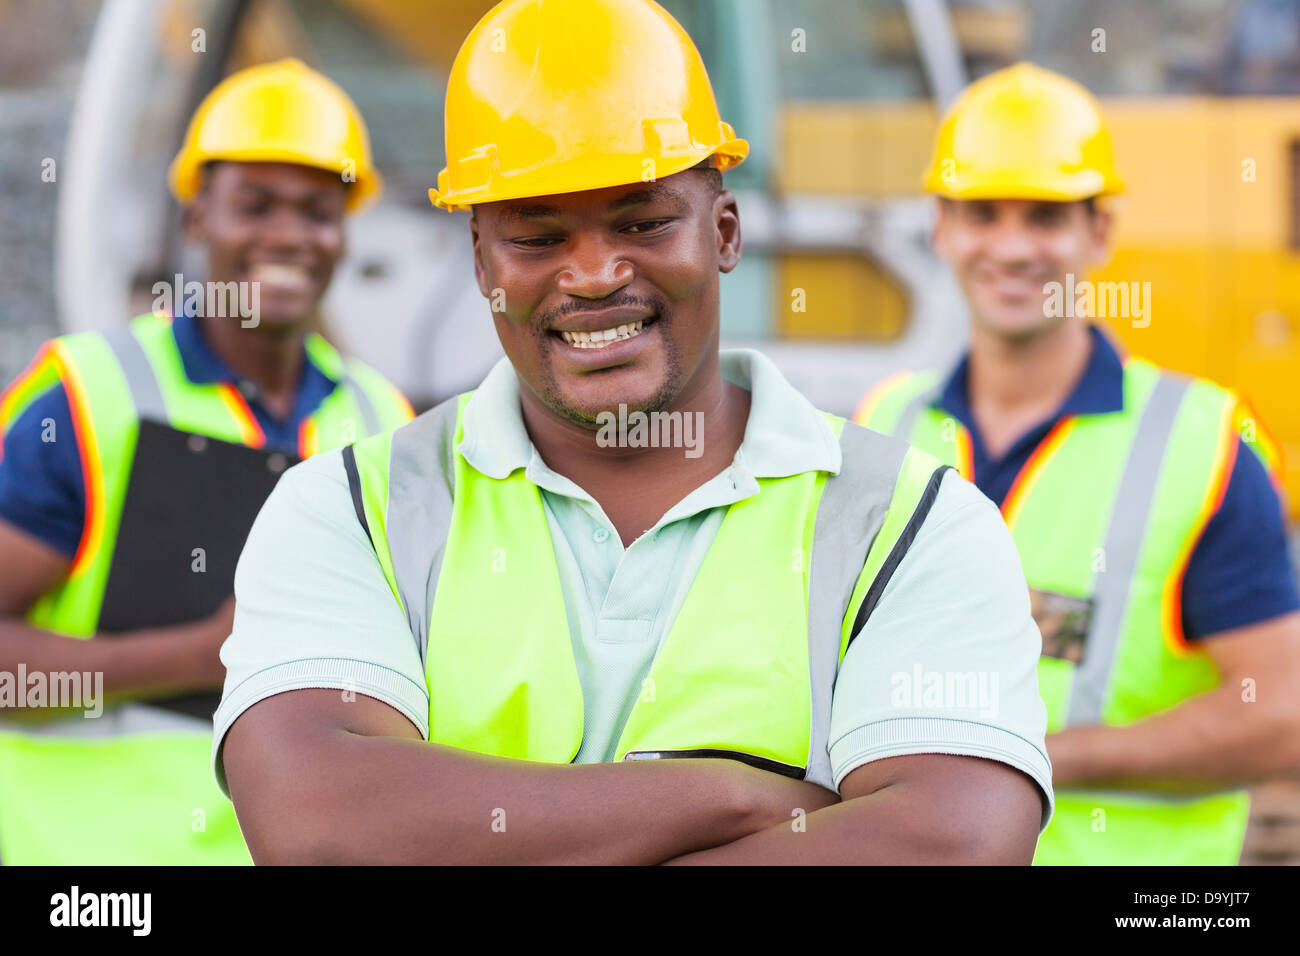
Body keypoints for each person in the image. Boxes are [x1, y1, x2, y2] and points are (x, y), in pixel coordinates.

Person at [216, 0, 1053, 865]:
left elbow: (953, 846)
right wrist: (739, 798)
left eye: (642, 222)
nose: (593, 275)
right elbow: (321, 827)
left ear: (723, 231)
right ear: (481, 261)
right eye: (538, 236)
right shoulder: (351, 511)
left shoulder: (908, 525)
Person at [854, 62, 1300, 865]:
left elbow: (1279, 717)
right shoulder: (883, 424)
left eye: (1047, 216)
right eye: (983, 214)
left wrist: (1029, 762)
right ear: (943, 228)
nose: (1013, 247)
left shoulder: (1199, 445)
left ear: (1099, 232)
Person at [0, 58, 413, 864]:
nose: (288, 236)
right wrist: (196, 656)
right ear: (195, 217)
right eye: (254, 206)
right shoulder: (92, 398)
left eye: (316, 211)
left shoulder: (379, 421)